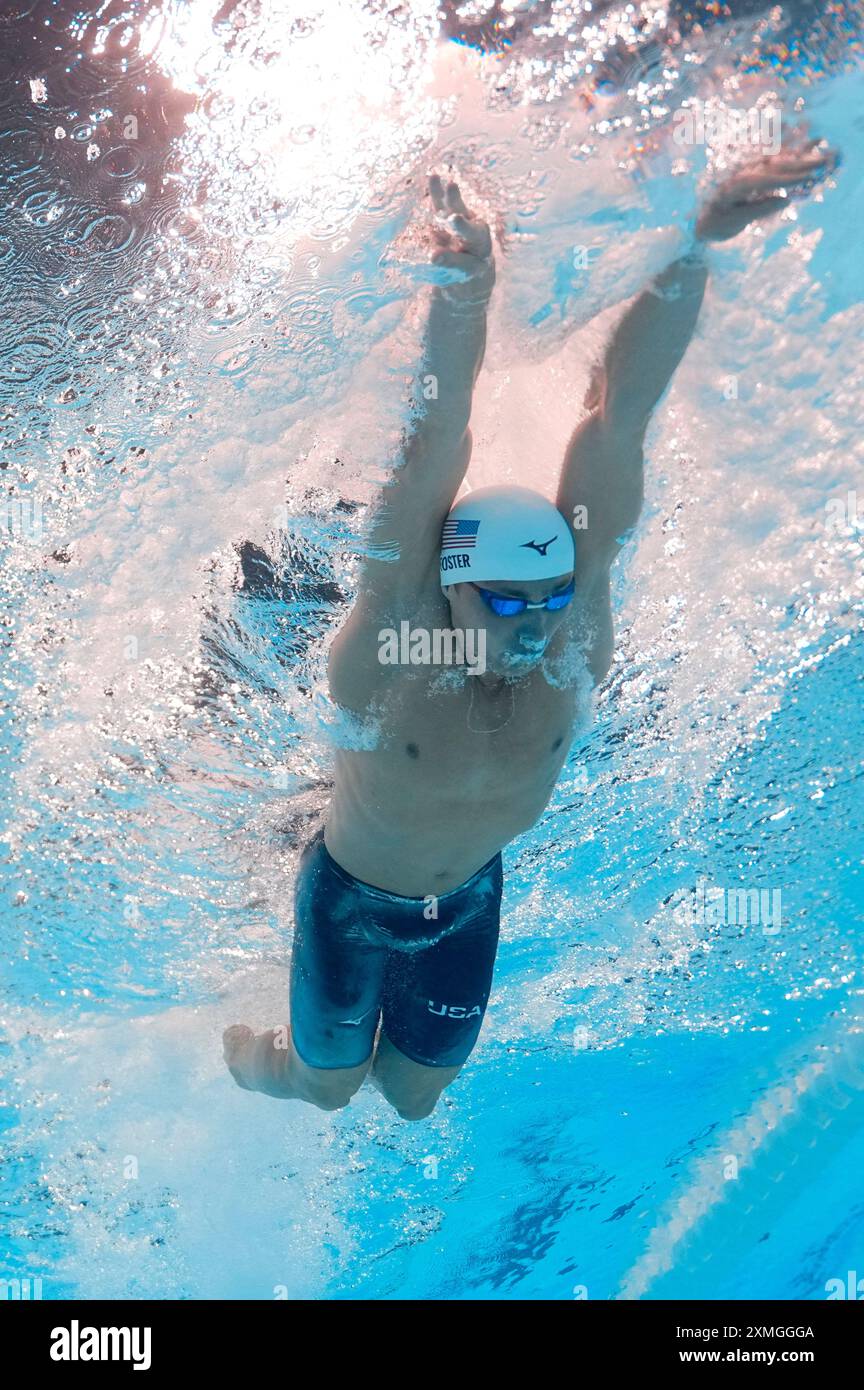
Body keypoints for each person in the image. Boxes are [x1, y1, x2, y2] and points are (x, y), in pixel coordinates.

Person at [224, 137, 836, 1120]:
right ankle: (236, 1049)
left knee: (414, 1100)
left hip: (465, 898)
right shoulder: (391, 642)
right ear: (451, 586)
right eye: (507, 601)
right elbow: (439, 436)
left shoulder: (573, 623)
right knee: (329, 1090)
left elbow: (616, 418)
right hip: (352, 896)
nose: (536, 623)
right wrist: (468, 284)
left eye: (550, 596)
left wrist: (703, 241)